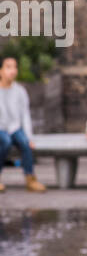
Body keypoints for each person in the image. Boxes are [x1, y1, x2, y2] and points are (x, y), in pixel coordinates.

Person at [0, 55, 46, 193]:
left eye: (15, 67)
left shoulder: (20, 91)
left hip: (15, 128)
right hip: (1, 128)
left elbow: (25, 115)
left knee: (25, 143)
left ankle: (30, 178)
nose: (13, 71)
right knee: (6, 142)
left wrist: (29, 137)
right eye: (8, 67)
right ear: (1, 70)